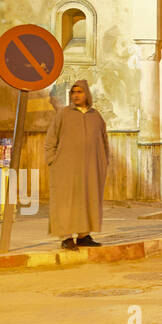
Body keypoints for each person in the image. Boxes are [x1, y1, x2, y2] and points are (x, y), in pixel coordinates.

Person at [44, 79, 109, 250]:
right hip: (66, 168)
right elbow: (51, 139)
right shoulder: (63, 114)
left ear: (87, 94)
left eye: (79, 92)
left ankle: (83, 235)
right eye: (73, 92)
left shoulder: (96, 116)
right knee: (66, 202)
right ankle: (66, 237)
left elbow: (104, 141)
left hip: (91, 168)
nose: (76, 95)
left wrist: (103, 163)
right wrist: (53, 161)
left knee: (87, 199)